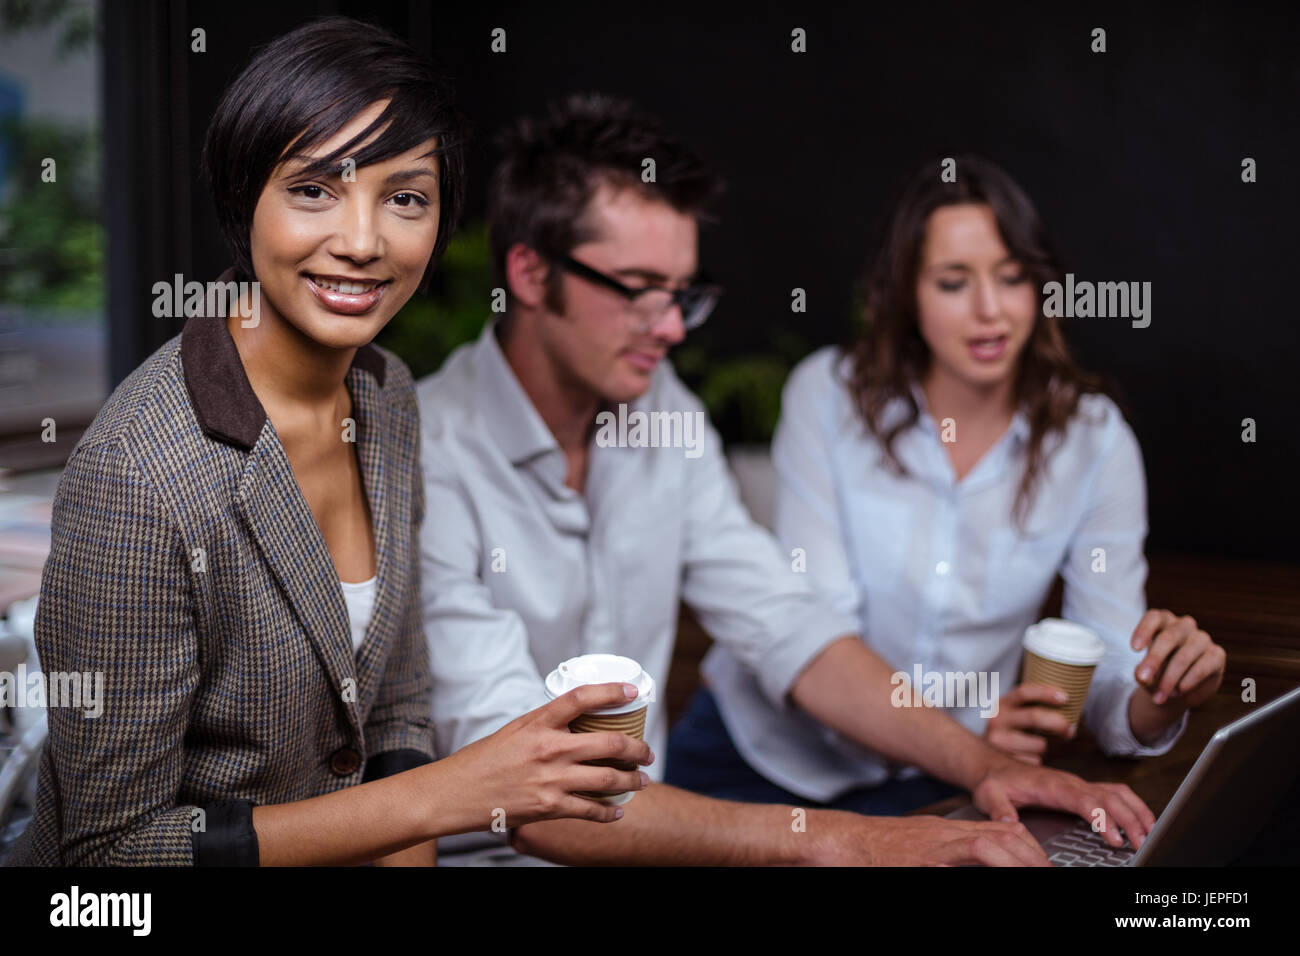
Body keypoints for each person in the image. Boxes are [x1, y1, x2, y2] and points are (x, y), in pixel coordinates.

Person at [417, 97, 1155, 867]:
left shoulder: (660, 407)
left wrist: (991, 769)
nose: (671, 329)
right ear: (530, 273)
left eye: (684, 294)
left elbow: (784, 622)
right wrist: (856, 843)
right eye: (638, 288)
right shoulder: (430, 449)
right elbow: (527, 788)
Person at [5, 17, 649, 868]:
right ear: (246, 201)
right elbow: (110, 856)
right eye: (314, 189)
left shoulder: (387, 396)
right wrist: (456, 792)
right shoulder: (140, 473)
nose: (361, 241)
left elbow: (395, 711)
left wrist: (422, 803)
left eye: (405, 198)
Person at [674, 155, 1225, 811]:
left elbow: (1105, 670)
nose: (990, 311)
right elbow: (815, 630)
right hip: (759, 757)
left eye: (1013, 277)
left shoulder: (1094, 441)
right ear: (906, 294)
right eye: (953, 282)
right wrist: (971, 743)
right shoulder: (828, 396)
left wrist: (1161, 694)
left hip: (939, 779)